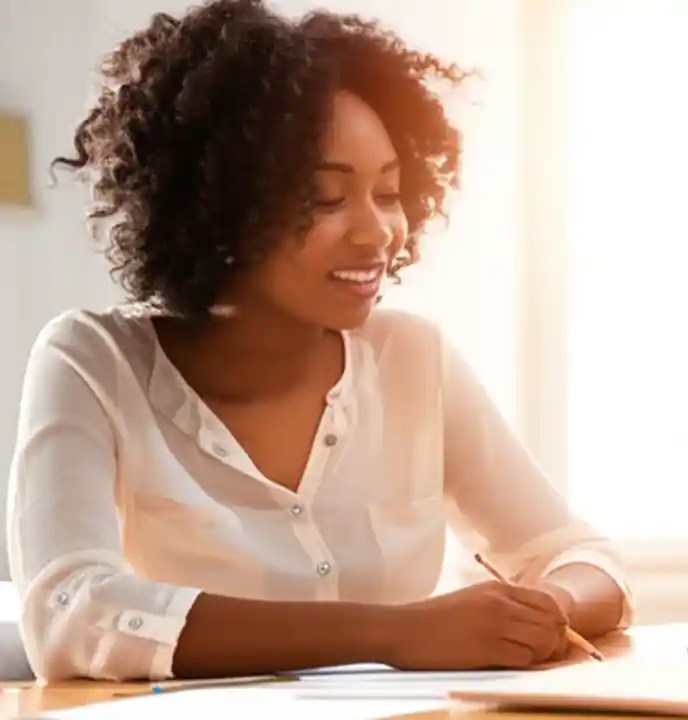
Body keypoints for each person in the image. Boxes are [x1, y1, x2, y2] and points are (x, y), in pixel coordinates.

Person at [8, 0, 628, 682]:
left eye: (388, 193)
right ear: (217, 204)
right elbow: (71, 615)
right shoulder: (91, 361)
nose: (376, 233)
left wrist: (536, 611)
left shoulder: (413, 358)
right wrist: (393, 633)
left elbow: (586, 560)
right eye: (325, 199)